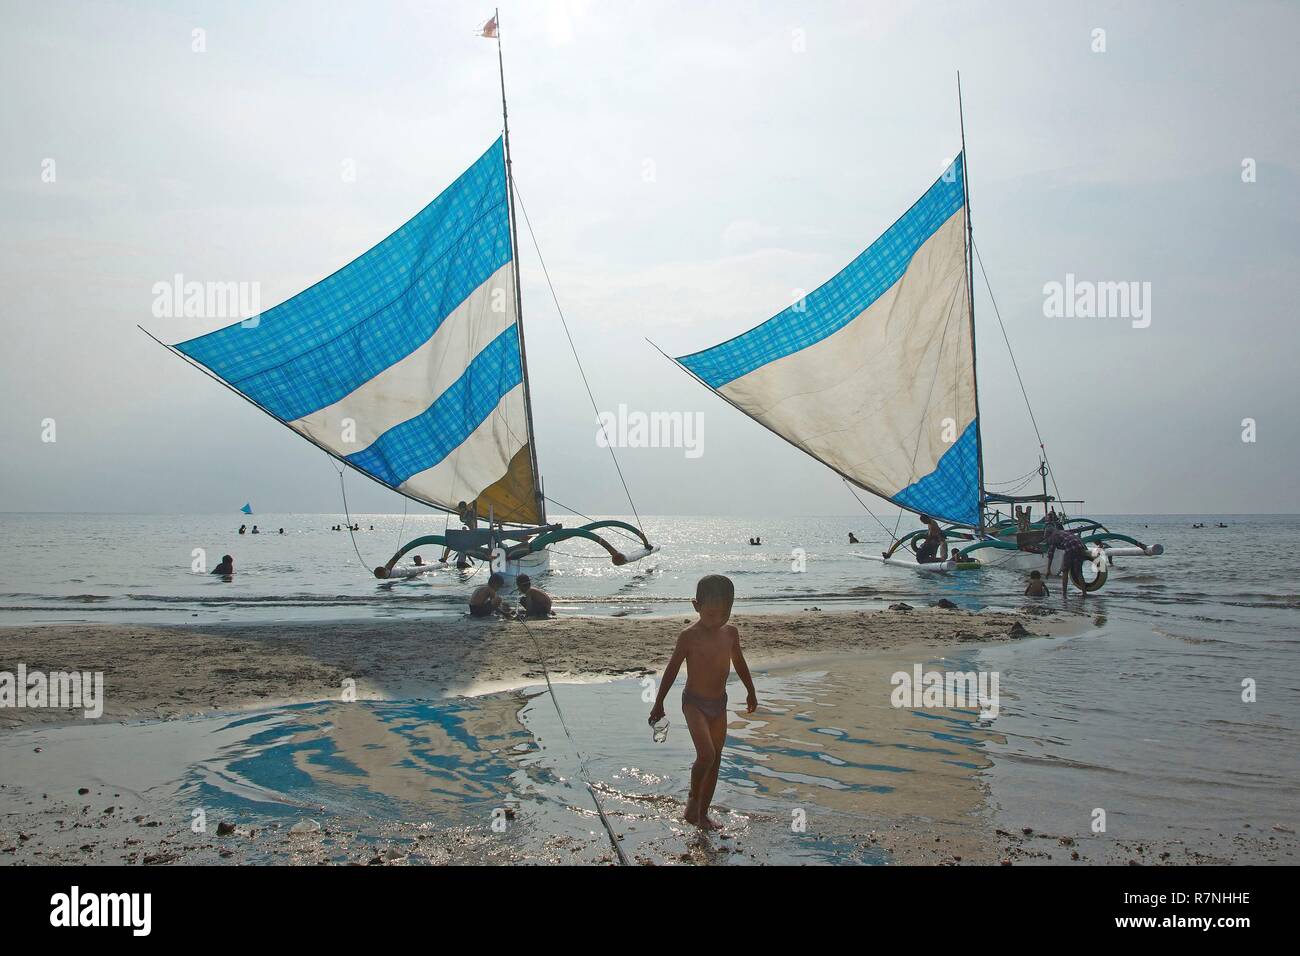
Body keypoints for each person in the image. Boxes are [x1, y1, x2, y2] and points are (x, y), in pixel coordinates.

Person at [648, 575, 758, 830]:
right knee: (706, 754)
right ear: (696, 606)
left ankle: (703, 813)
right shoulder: (689, 636)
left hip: (719, 704)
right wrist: (659, 702)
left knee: (716, 758)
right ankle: (692, 802)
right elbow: (672, 669)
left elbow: (739, 662)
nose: (716, 620)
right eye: (710, 614)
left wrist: (750, 691)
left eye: (723, 614)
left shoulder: (730, 633)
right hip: (694, 703)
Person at [1045, 524, 1089, 598]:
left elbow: (1050, 554)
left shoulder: (1052, 537)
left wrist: (1048, 569)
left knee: (1065, 571)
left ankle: (1064, 594)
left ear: (1048, 534)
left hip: (1070, 547)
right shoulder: (1062, 532)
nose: (1045, 536)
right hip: (1080, 546)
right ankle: (1084, 593)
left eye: (1045, 534)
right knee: (1078, 572)